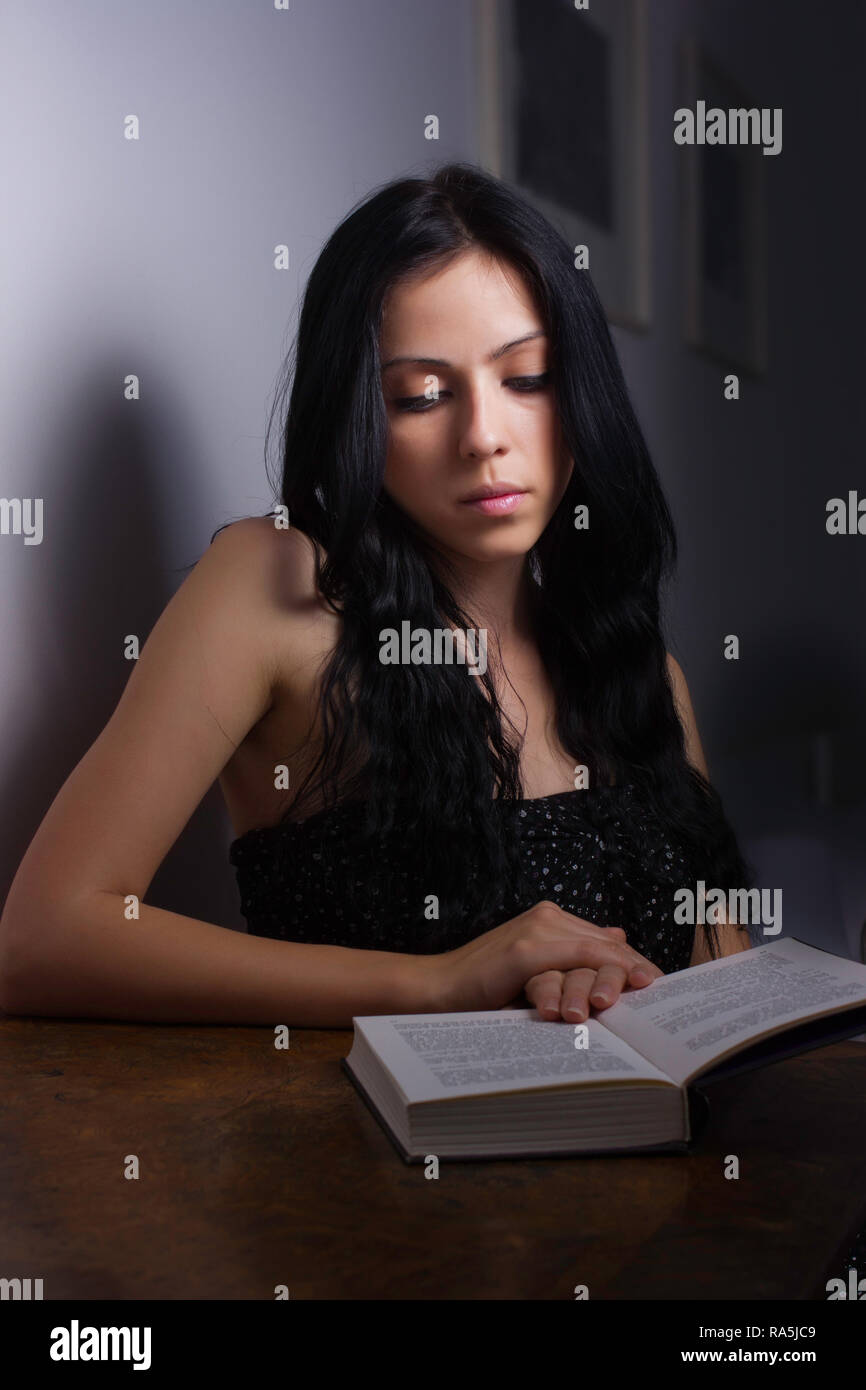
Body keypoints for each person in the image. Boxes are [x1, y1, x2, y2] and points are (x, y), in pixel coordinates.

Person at [0, 162, 753, 1029]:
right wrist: (438, 985)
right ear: (359, 415)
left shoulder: (645, 676)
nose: (483, 438)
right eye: (421, 396)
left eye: (528, 379)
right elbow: (43, 940)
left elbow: (716, 987)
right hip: (355, 1156)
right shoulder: (276, 589)